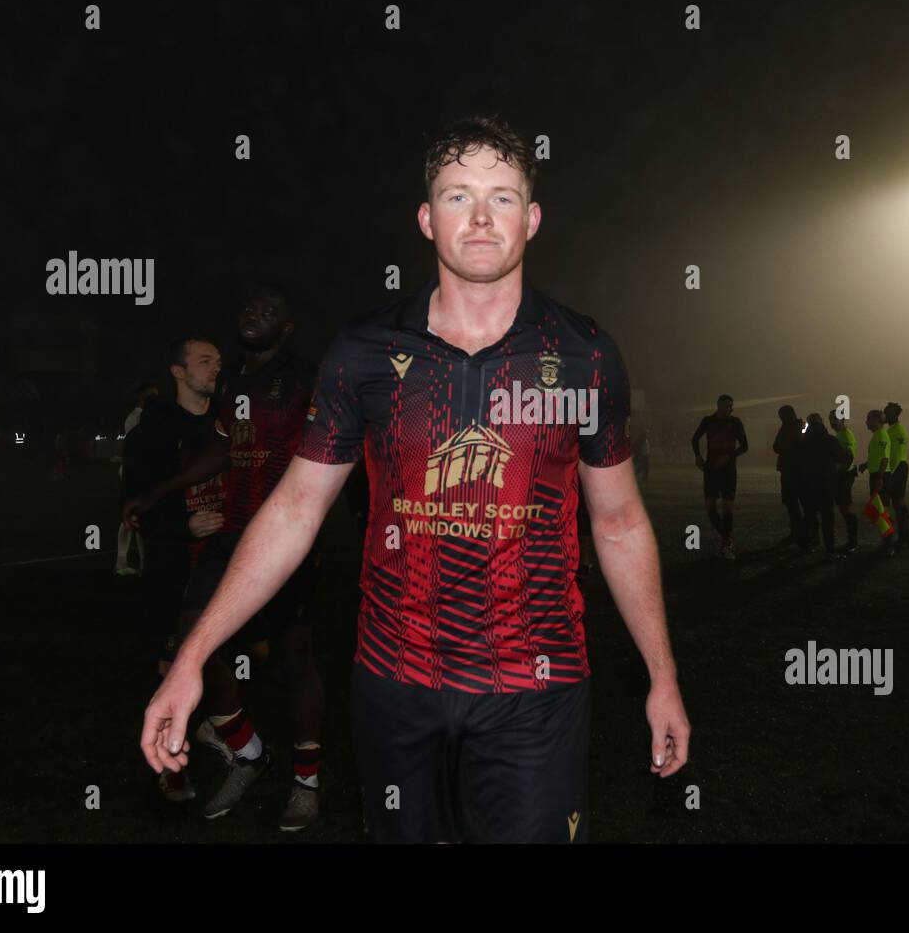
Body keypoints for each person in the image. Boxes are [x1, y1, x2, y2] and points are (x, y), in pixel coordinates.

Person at [139, 114, 690, 843]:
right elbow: (296, 508)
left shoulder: (584, 355)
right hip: (396, 686)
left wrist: (663, 675)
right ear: (428, 219)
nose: (482, 217)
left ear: (531, 218)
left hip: (535, 687)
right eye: (459, 196)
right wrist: (195, 656)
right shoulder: (364, 352)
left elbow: (618, 522)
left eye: (501, 196)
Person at [127, 284, 326, 832]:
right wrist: (162, 491)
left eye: (269, 310)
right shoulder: (232, 381)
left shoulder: (307, 380)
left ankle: (307, 781)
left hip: (285, 539)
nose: (253, 313)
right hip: (230, 538)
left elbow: (329, 460)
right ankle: (249, 751)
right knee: (193, 641)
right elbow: (223, 449)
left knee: (293, 660)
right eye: (247, 306)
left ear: (287, 329)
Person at [121, 339, 224, 802]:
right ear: (178, 372)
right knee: (171, 665)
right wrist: (183, 525)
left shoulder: (227, 422)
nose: (214, 369)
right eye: (205, 362)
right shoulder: (153, 430)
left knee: (250, 655)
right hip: (174, 565)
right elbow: (136, 507)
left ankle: (222, 725)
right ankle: (173, 769)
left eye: (218, 362)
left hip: (229, 561)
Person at [691, 395, 748, 559]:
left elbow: (745, 446)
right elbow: (694, 439)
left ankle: (726, 544)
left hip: (729, 470)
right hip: (711, 469)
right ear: (718, 406)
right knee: (710, 508)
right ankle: (727, 539)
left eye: (731, 406)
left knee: (727, 508)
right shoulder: (708, 420)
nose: (729, 409)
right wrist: (698, 456)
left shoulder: (736, 422)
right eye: (726, 406)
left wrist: (729, 456)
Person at [116, 383, 159, 575]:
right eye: (151, 396)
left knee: (142, 518)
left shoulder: (145, 417)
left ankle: (143, 562)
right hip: (135, 472)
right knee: (132, 517)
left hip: (140, 471)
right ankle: (121, 563)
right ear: (142, 397)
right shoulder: (136, 418)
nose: (155, 399)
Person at [795, 413, 848, 559]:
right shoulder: (829, 440)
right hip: (825, 484)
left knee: (810, 516)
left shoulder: (803, 442)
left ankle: (810, 543)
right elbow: (843, 457)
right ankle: (829, 548)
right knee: (827, 517)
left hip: (806, 484)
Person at [859, 409, 894, 556]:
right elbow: (877, 456)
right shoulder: (877, 435)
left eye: (868, 419)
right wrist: (866, 465)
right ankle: (886, 542)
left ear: (877, 421)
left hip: (880, 476)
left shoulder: (881, 436)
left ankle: (888, 544)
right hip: (877, 474)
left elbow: (885, 458)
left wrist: (879, 478)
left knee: (882, 510)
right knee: (880, 509)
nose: (866, 422)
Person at [772, 405, 805, 545]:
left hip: (791, 470)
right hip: (797, 470)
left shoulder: (786, 428)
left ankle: (798, 532)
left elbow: (777, 446)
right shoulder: (799, 426)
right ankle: (800, 532)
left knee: (792, 503)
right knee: (798, 504)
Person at [829, 410, 859, 554]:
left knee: (845, 507)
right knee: (843, 506)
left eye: (835, 420)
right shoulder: (840, 434)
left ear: (842, 420)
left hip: (845, 475)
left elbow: (849, 457)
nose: (832, 422)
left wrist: (839, 472)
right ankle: (852, 540)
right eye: (831, 420)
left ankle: (853, 541)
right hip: (843, 475)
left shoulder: (846, 435)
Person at [883, 402, 909, 549]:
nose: (884, 415)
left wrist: (889, 474)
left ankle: (903, 537)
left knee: (898, 503)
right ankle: (904, 536)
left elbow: (897, 455)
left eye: (886, 412)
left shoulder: (898, 431)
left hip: (897, 469)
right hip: (896, 468)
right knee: (897, 503)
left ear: (893, 414)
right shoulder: (892, 430)